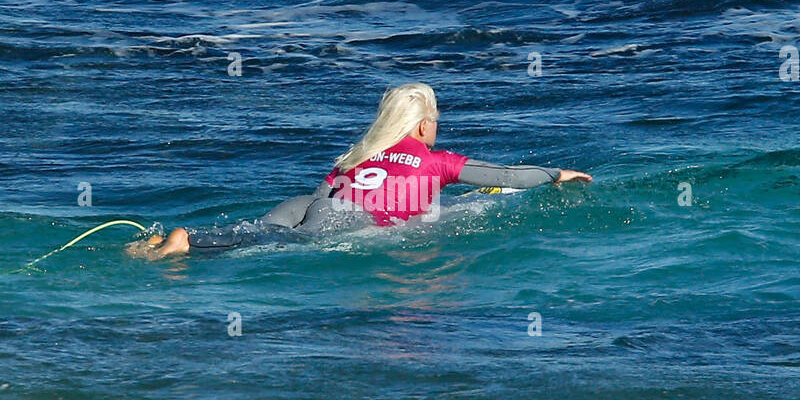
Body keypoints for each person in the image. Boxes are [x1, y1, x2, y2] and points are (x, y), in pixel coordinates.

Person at [125, 82, 591, 258]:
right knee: (284, 245)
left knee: (261, 231)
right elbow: (506, 176)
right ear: (425, 124)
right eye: (436, 121)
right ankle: (188, 243)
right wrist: (555, 174)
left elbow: (328, 192)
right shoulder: (437, 161)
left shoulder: (358, 151)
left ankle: (165, 241)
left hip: (311, 202)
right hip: (348, 219)